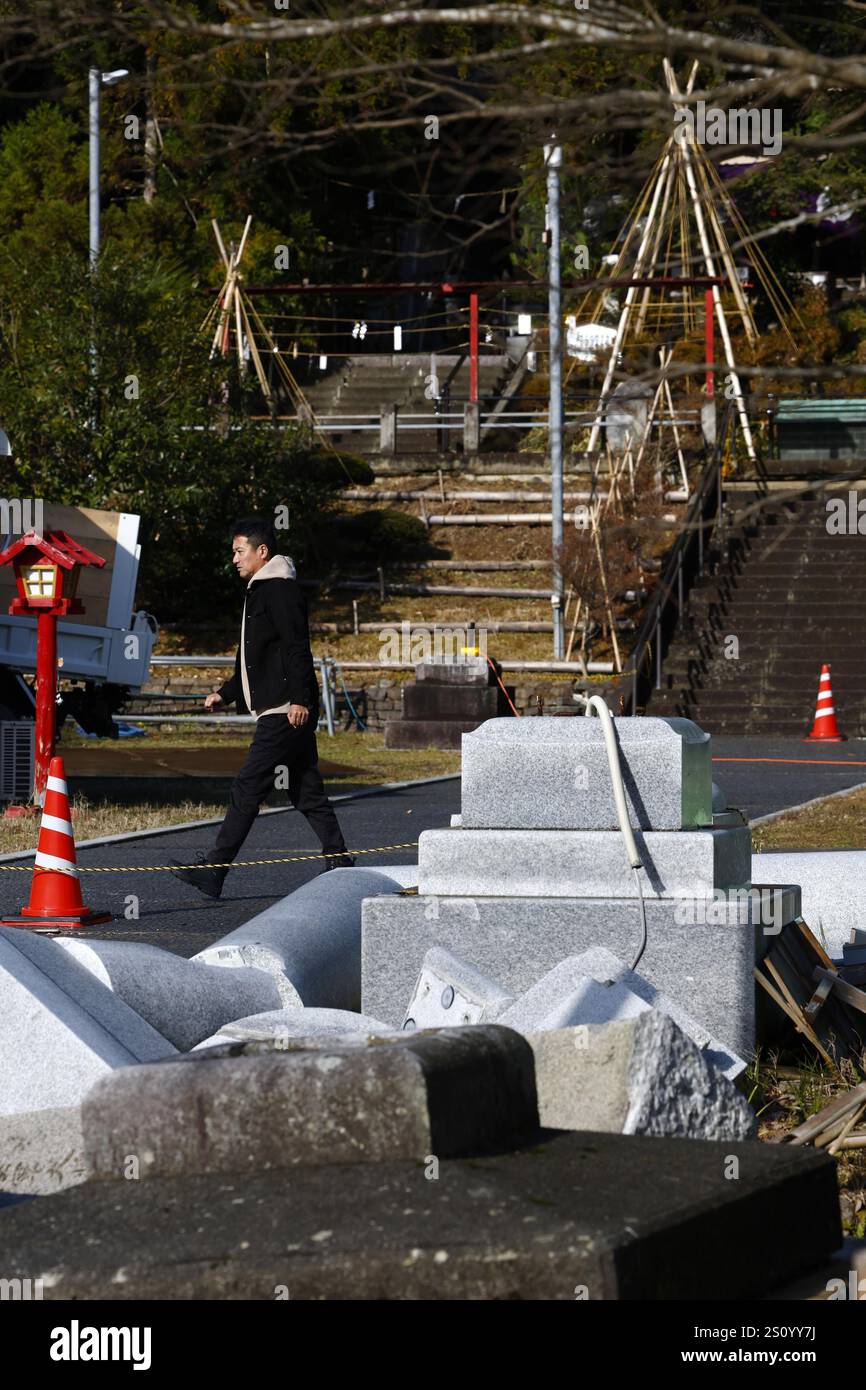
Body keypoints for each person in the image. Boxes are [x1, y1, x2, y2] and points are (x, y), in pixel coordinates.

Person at [171, 516, 353, 898]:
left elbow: (295, 647)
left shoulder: (279, 590)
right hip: (281, 706)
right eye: (234, 552)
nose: (234, 559)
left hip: (285, 709)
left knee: (248, 786)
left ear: (262, 552)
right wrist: (225, 693)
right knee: (305, 788)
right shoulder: (258, 590)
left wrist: (301, 699)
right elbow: (253, 661)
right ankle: (339, 858)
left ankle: (215, 870)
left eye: (240, 552)